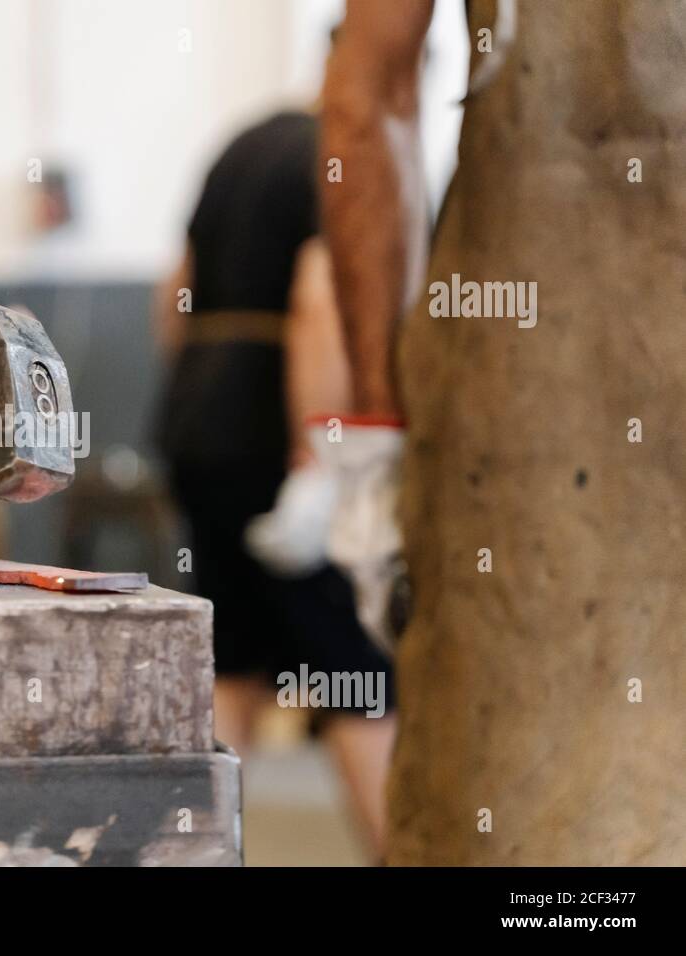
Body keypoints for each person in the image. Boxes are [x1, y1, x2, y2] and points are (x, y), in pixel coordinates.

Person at [322, 0, 685, 864]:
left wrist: (373, 429)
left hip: (520, 400)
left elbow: (366, 103)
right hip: (527, 405)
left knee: (511, 808)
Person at [155, 109, 396, 857]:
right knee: (360, 673)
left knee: (234, 666)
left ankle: (194, 854)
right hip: (276, 435)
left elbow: (175, 295)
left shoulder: (240, 146)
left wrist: (199, 398)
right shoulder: (341, 155)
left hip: (197, 425)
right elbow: (319, 300)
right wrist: (315, 456)